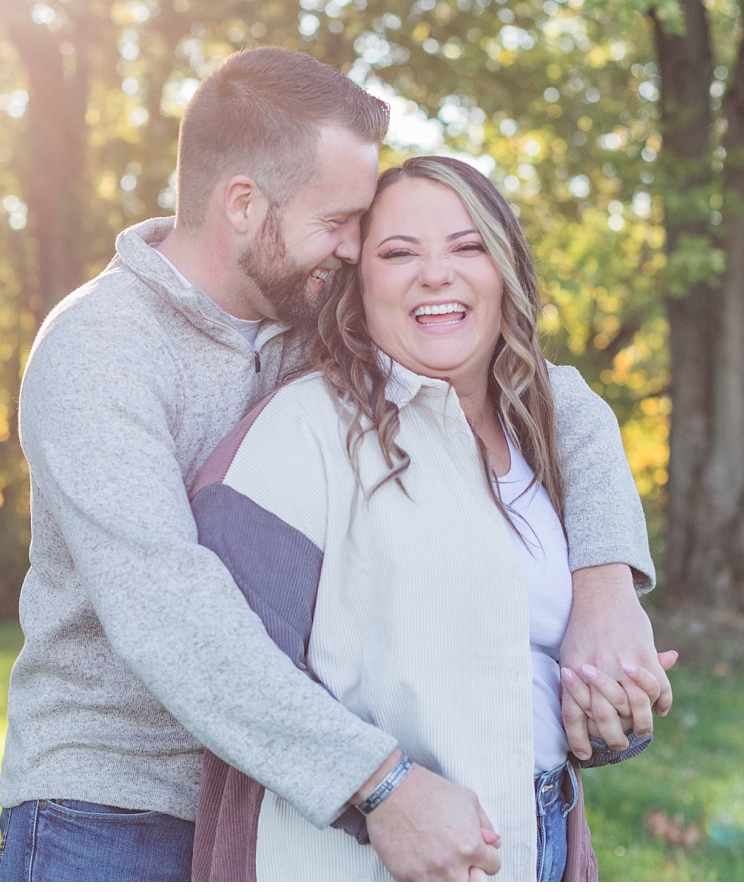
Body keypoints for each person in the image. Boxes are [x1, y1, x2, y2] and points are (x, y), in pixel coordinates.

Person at [0, 47, 671, 882]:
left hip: (292, 789)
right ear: (244, 204)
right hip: (118, 804)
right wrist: (381, 782)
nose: (355, 250)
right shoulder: (101, 351)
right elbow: (169, 613)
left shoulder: (307, 313)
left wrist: (606, 586)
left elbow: (547, 394)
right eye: (340, 221)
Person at [187, 156, 670, 881]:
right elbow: (222, 672)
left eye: (467, 246)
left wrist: (610, 709)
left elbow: (519, 677)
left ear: (504, 270)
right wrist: (383, 789)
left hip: (536, 844)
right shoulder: (303, 431)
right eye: (399, 252)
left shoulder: (542, 441)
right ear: (359, 284)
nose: (436, 273)